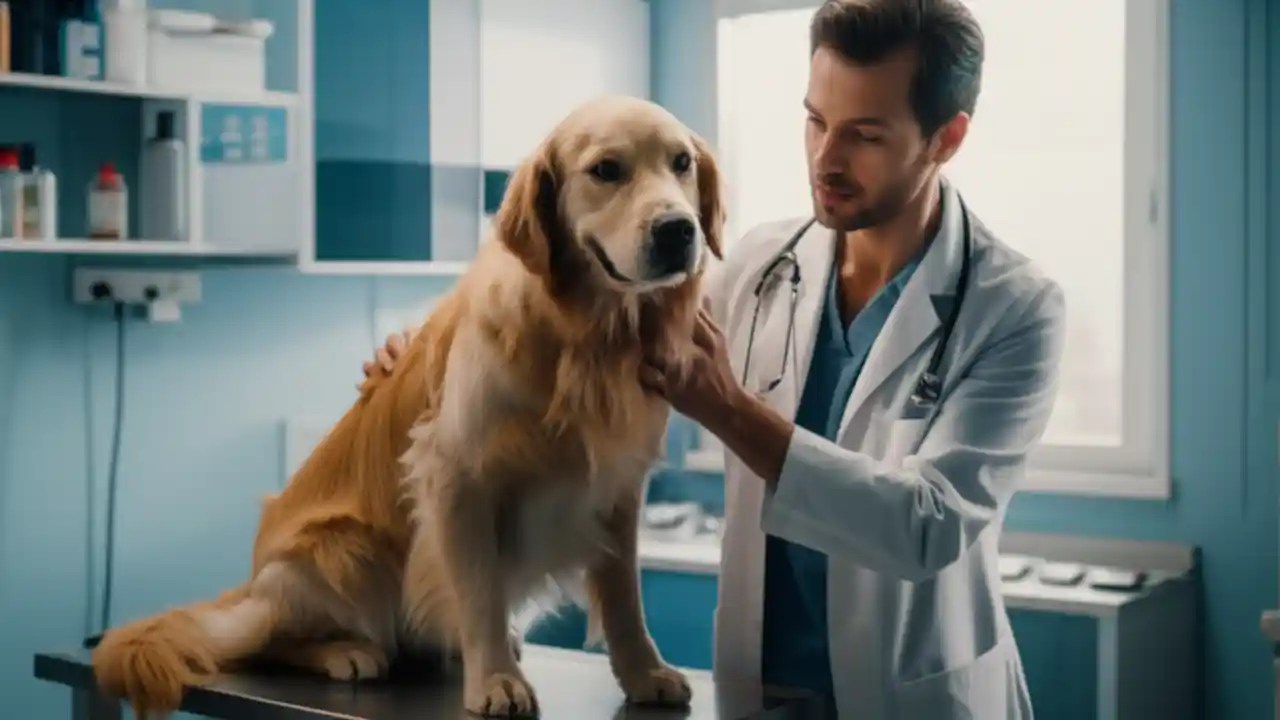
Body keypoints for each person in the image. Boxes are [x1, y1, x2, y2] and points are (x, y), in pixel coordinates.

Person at [364, 2, 1064, 717]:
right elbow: (582, 315)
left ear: (946, 139)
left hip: (909, 697)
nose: (825, 158)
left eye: (865, 135)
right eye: (816, 120)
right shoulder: (759, 266)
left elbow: (928, 527)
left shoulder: (1015, 308)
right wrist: (425, 352)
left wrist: (729, 411)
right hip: (758, 687)